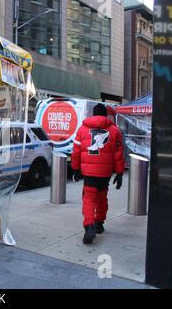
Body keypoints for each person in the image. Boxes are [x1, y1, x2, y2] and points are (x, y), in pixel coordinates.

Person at [71, 103, 125, 245]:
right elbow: (119, 154)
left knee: (88, 198)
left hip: (89, 173)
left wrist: (75, 169)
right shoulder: (115, 131)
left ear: (93, 114)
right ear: (105, 115)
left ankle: (89, 226)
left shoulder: (82, 129)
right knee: (102, 197)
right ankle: (99, 224)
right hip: (105, 173)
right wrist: (119, 174)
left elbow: (76, 151)